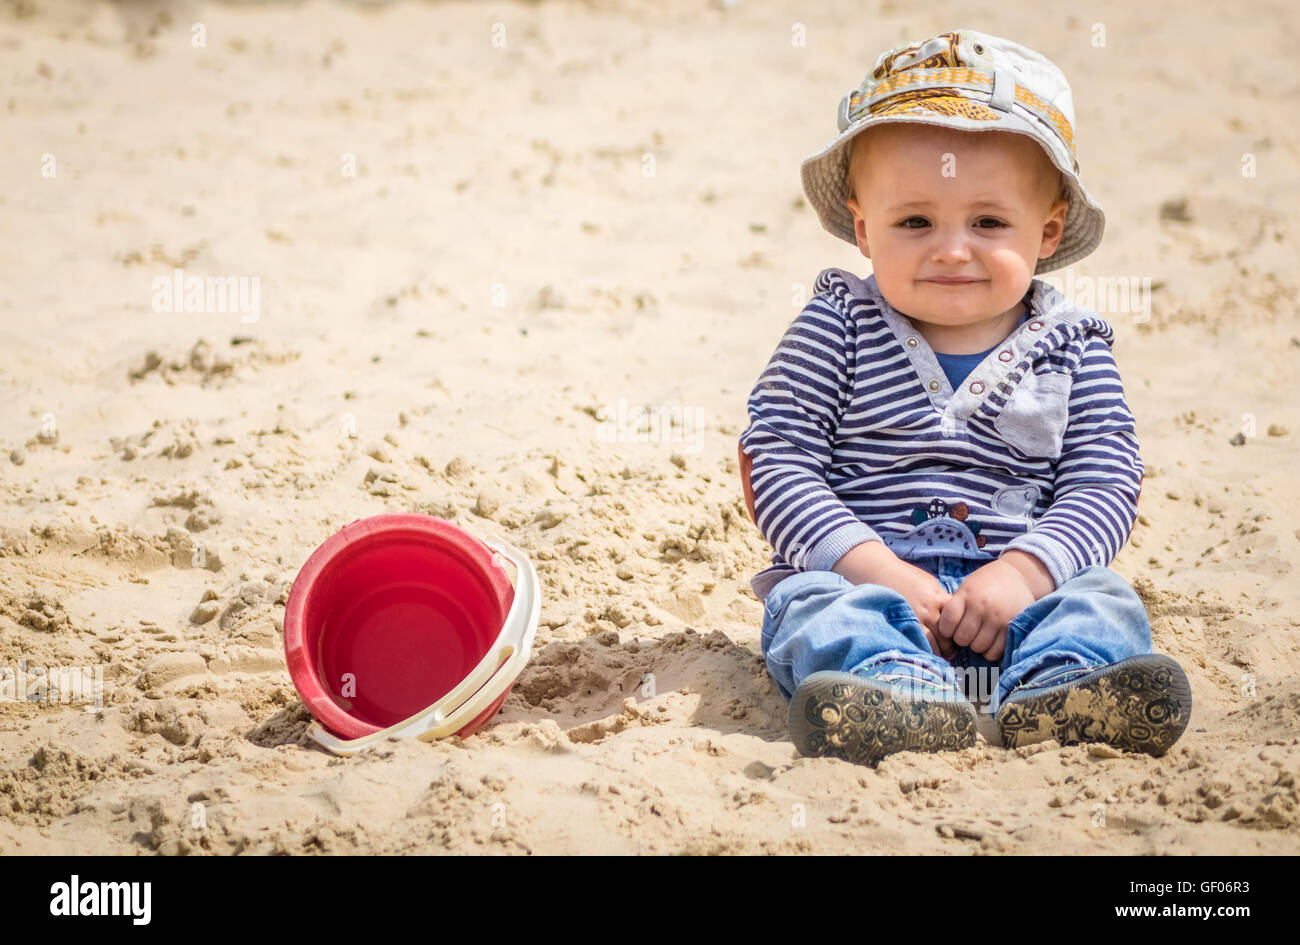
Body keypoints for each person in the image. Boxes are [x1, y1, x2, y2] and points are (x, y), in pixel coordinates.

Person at [737, 29, 1191, 767]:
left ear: (1046, 232)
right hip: (868, 582)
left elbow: (1105, 481)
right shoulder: (837, 324)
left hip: (1019, 595)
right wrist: (877, 570)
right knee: (810, 606)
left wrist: (1023, 573)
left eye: (988, 222)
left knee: (1104, 598)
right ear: (862, 227)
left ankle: (1063, 686)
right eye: (914, 221)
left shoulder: (1073, 345)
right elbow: (777, 457)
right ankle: (894, 690)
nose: (952, 248)